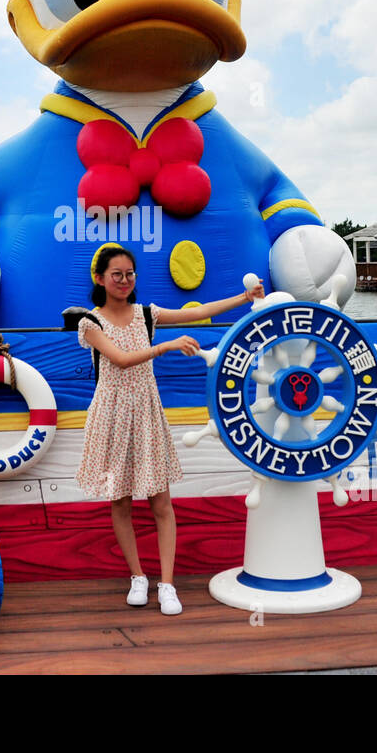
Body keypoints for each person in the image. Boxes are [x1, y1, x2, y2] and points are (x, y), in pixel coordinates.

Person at [76, 244, 264, 615]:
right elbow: (121, 360)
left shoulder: (146, 314)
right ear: (100, 278)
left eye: (130, 274)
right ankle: (137, 577)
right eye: (117, 274)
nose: (125, 281)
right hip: (112, 415)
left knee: (161, 501)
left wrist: (244, 298)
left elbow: (197, 313)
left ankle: (167, 584)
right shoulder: (90, 323)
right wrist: (165, 347)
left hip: (146, 412)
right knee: (121, 500)